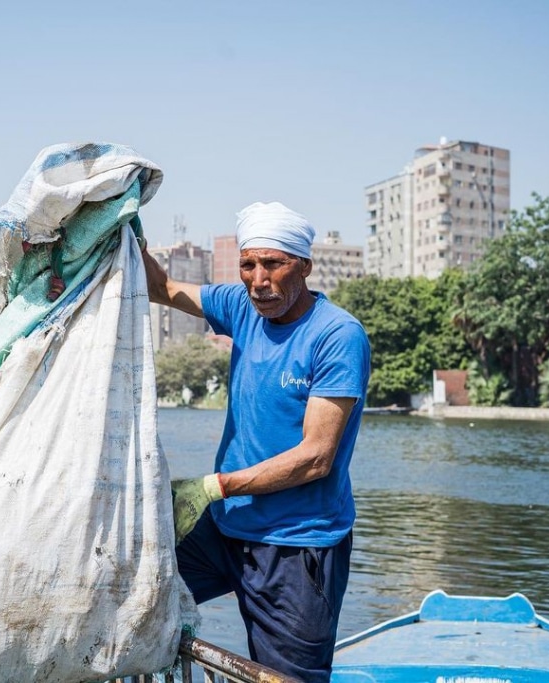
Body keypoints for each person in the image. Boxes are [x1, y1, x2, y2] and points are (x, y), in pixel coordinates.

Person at [143, 201, 371, 682]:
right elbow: (160, 287)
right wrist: (125, 229)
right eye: (248, 265)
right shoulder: (240, 307)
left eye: (273, 264)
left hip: (296, 545)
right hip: (225, 528)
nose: (259, 280)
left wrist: (214, 486)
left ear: (304, 266)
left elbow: (316, 457)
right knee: (130, 593)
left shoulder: (336, 335)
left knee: (286, 679)